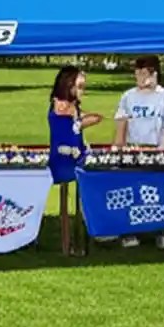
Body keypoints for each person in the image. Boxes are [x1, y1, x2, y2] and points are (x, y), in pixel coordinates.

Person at [113, 55, 164, 249]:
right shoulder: (128, 96)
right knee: (131, 191)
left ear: (154, 74)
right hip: (133, 150)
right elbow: (121, 124)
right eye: (137, 73)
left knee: (159, 191)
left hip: (157, 152)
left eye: (144, 73)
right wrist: (117, 149)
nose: (140, 78)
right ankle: (129, 232)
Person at [48, 66, 103, 256]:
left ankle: (82, 238)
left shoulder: (74, 107)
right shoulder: (61, 104)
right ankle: (67, 242)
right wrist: (81, 119)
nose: (82, 91)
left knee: (81, 196)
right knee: (66, 198)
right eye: (79, 86)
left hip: (78, 156)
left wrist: (85, 119)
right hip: (62, 158)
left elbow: (85, 119)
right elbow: (69, 115)